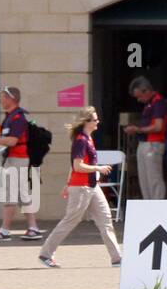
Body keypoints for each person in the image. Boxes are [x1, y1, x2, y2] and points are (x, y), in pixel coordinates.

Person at [39, 107, 121, 268]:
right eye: (95, 120)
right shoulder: (81, 141)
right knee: (71, 220)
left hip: (91, 186)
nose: (98, 122)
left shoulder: (87, 139)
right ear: (86, 122)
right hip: (82, 187)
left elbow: (74, 166)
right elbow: (77, 166)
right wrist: (98, 168)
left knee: (105, 220)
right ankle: (45, 254)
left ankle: (117, 258)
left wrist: (67, 184)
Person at [0, 86, 43, 241]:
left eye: (3, 97)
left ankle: (5, 230)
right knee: (22, 194)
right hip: (15, 159)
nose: (1, 100)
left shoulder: (18, 119)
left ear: (10, 98)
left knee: (11, 195)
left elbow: (13, 140)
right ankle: (33, 228)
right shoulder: (10, 117)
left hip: (17, 160)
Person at [124, 76, 167, 199]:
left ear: (146, 91)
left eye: (139, 96)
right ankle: (148, 206)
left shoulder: (158, 103)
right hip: (145, 143)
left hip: (153, 144)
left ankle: (157, 206)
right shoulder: (150, 104)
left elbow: (158, 126)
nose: (138, 100)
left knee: (154, 179)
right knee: (144, 179)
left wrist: (138, 129)